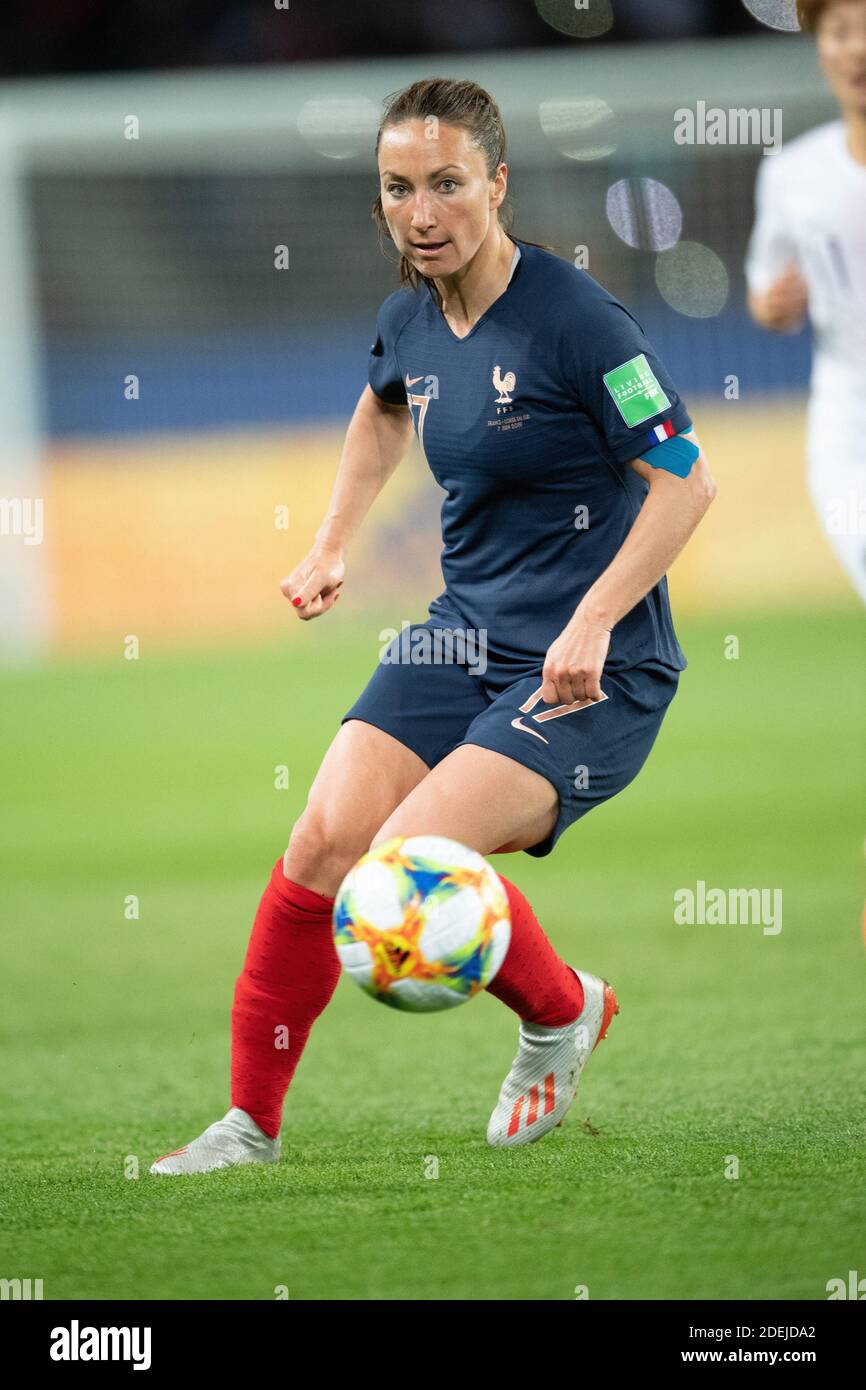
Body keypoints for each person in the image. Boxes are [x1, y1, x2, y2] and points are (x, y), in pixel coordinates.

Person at [150, 76, 716, 1175]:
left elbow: (685, 479)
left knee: (405, 862)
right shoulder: (407, 313)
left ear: (496, 184)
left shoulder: (574, 318)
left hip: (599, 665)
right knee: (320, 843)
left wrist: (597, 617)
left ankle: (557, 1013)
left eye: (446, 184)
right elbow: (381, 410)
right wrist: (330, 543)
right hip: (461, 634)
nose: (421, 212)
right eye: (398, 188)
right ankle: (248, 1128)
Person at [745, 0, 866, 603]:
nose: (858, 49)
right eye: (841, 32)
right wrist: (774, 304)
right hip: (848, 416)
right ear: (820, 45)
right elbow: (764, 285)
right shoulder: (795, 174)